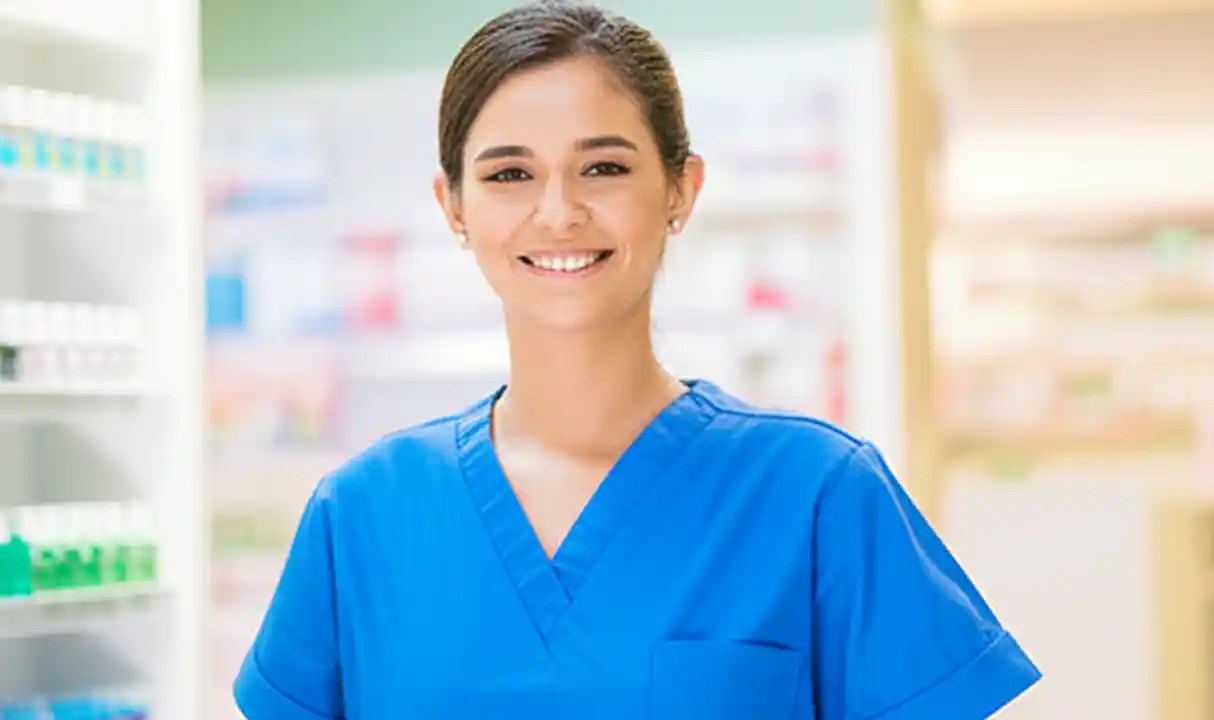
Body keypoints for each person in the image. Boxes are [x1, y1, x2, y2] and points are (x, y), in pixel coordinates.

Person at [233, 2, 1041, 718]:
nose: (558, 212)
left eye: (604, 168)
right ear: (453, 206)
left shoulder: (816, 492)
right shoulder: (364, 514)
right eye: (510, 173)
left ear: (680, 190)